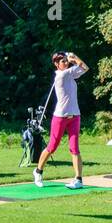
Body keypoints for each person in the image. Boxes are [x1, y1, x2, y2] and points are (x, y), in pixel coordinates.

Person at [33, 51, 88, 189]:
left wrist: (74, 58)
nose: (66, 62)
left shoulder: (69, 73)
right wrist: (74, 57)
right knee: (52, 147)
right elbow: (82, 66)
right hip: (60, 117)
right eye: (63, 61)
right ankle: (38, 171)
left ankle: (78, 180)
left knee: (75, 149)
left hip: (75, 116)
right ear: (57, 65)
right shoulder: (62, 75)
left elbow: (85, 68)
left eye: (66, 60)